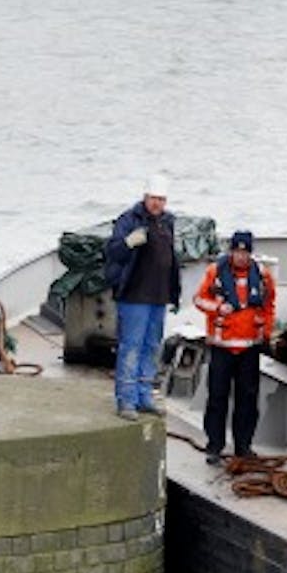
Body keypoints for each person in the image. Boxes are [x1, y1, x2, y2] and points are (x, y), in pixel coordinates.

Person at [193, 229, 276, 464]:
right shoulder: (215, 273)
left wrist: (266, 334)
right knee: (217, 398)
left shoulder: (263, 276)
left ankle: (243, 446)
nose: (240, 256)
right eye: (237, 251)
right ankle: (214, 446)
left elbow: (269, 304)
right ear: (231, 251)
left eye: (245, 252)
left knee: (248, 400)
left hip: (249, 348)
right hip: (222, 347)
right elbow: (199, 300)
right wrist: (218, 308)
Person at [103, 174, 181, 421]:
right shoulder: (128, 220)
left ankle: (144, 394)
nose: (157, 203)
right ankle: (126, 399)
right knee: (131, 346)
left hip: (158, 296)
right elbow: (113, 252)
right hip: (134, 295)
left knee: (151, 346)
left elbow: (172, 261)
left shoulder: (168, 222)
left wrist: (174, 293)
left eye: (161, 199)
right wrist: (129, 242)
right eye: (153, 198)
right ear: (145, 197)